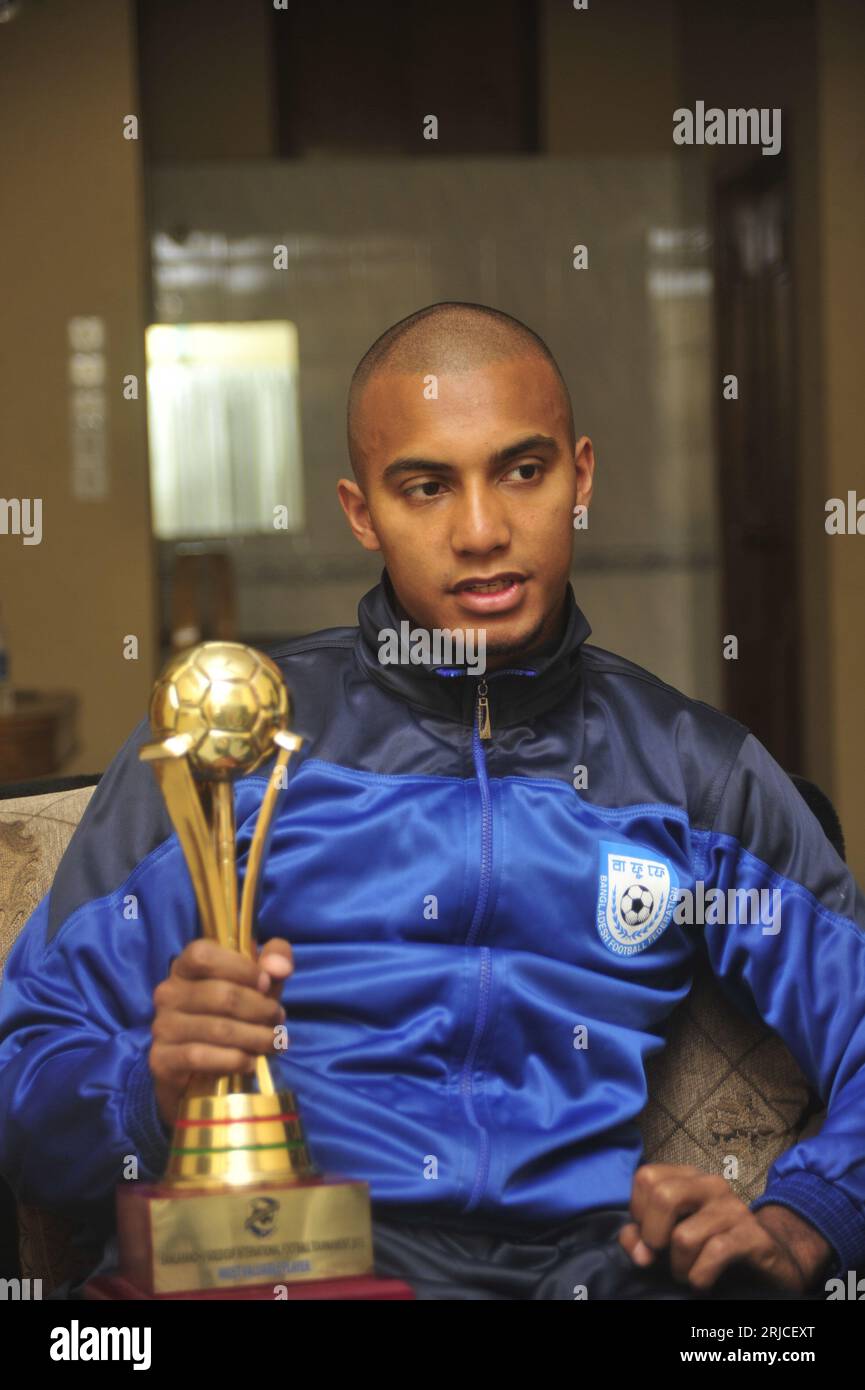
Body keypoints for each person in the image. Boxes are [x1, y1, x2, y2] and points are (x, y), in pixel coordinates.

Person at [1, 302, 863, 1301]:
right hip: (272, 1259)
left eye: (522, 471)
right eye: (425, 486)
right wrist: (149, 1089)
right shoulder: (231, 749)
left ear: (580, 475)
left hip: (582, 1276)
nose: (483, 531)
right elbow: (24, 1070)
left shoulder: (694, 772)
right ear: (361, 509)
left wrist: (802, 1225)